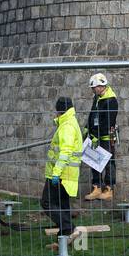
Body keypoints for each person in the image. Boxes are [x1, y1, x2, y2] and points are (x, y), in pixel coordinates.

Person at [41, 95, 83, 243]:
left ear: (58, 111)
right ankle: (64, 238)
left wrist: (56, 173)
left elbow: (65, 152)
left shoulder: (67, 126)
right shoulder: (70, 122)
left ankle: (69, 229)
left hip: (61, 174)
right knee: (61, 205)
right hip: (67, 173)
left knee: (47, 202)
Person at [83, 72, 119, 201]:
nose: (93, 90)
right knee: (94, 161)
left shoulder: (111, 100)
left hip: (106, 137)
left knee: (109, 162)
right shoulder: (97, 98)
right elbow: (93, 114)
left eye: (94, 88)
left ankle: (108, 189)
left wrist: (97, 136)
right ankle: (96, 187)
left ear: (100, 86)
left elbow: (108, 121)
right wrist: (88, 128)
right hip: (95, 136)